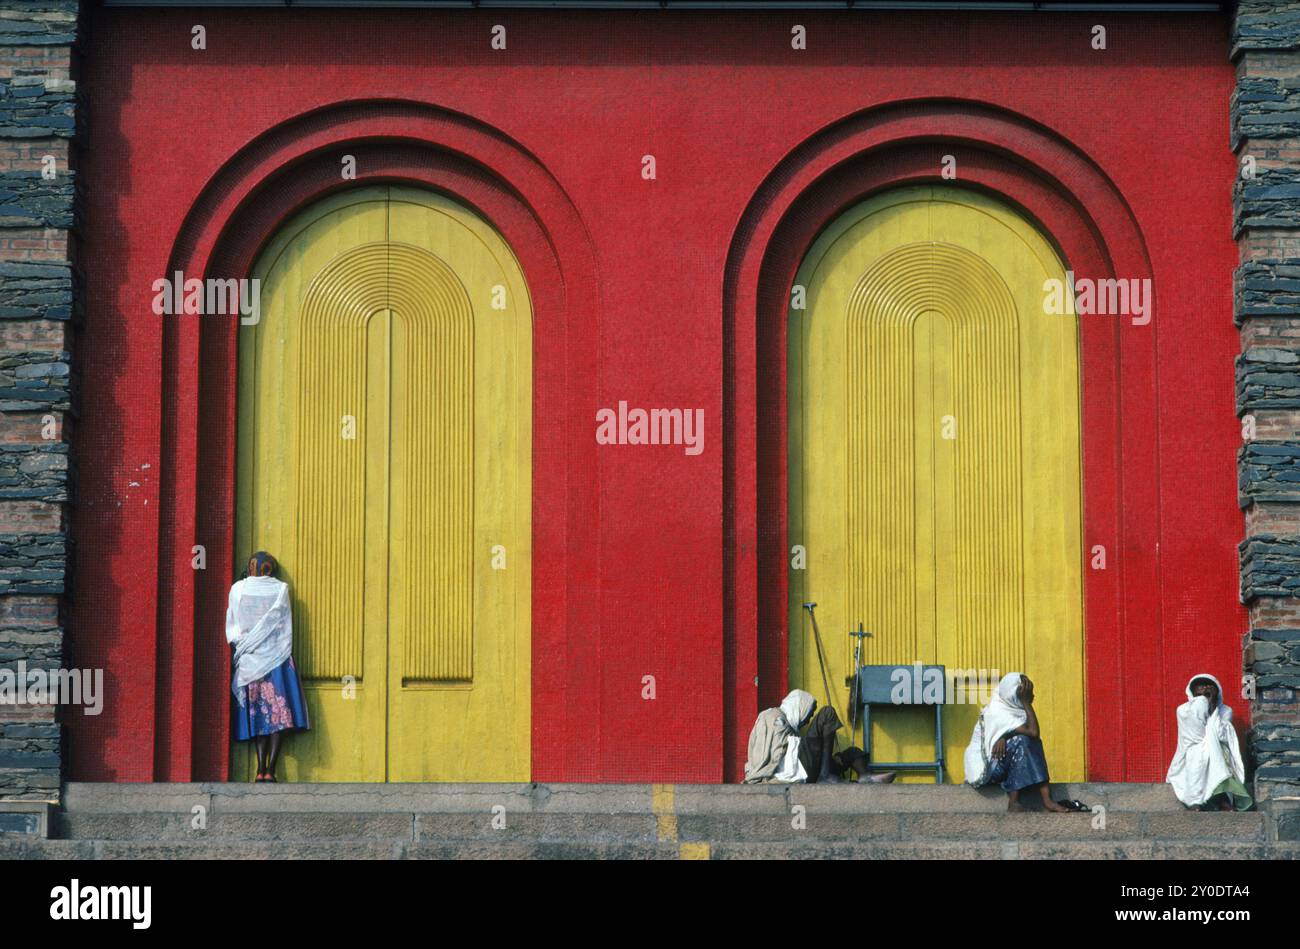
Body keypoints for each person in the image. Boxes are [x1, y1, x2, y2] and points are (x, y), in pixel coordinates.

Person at [226, 551, 310, 782]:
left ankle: (259, 769)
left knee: (257, 716)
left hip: (250, 660)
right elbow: (284, 625)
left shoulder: (237, 589)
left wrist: (244, 645)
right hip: (277, 659)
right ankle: (270, 770)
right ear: (271, 568)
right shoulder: (281, 589)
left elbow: (232, 625)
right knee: (278, 717)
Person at [963, 672, 1067, 812]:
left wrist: (1005, 736)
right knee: (1023, 740)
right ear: (1014, 695)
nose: (1032, 696)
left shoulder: (1011, 708)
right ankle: (1016, 802)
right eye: (1027, 693)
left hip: (1002, 763)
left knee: (1027, 740)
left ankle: (1047, 800)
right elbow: (1033, 732)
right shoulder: (997, 711)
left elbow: (1028, 733)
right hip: (989, 770)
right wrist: (1026, 702)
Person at [743, 688, 895, 784]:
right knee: (827, 713)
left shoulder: (788, 725)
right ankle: (825, 774)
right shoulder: (774, 716)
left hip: (805, 769)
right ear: (799, 707)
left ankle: (865, 776)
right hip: (791, 772)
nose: (809, 720)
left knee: (852, 752)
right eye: (809, 715)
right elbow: (773, 751)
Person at [1166, 674, 1252, 811]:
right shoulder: (1183, 709)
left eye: (1209, 685)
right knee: (1199, 754)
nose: (1205, 688)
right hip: (1193, 748)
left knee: (1216, 752)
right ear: (1192, 691)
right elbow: (1196, 735)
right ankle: (1196, 800)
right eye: (1200, 686)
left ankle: (1222, 798)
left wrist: (1212, 705)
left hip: (1217, 748)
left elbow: (1219, 733)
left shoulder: (1225, 710)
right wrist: (1201, 703)